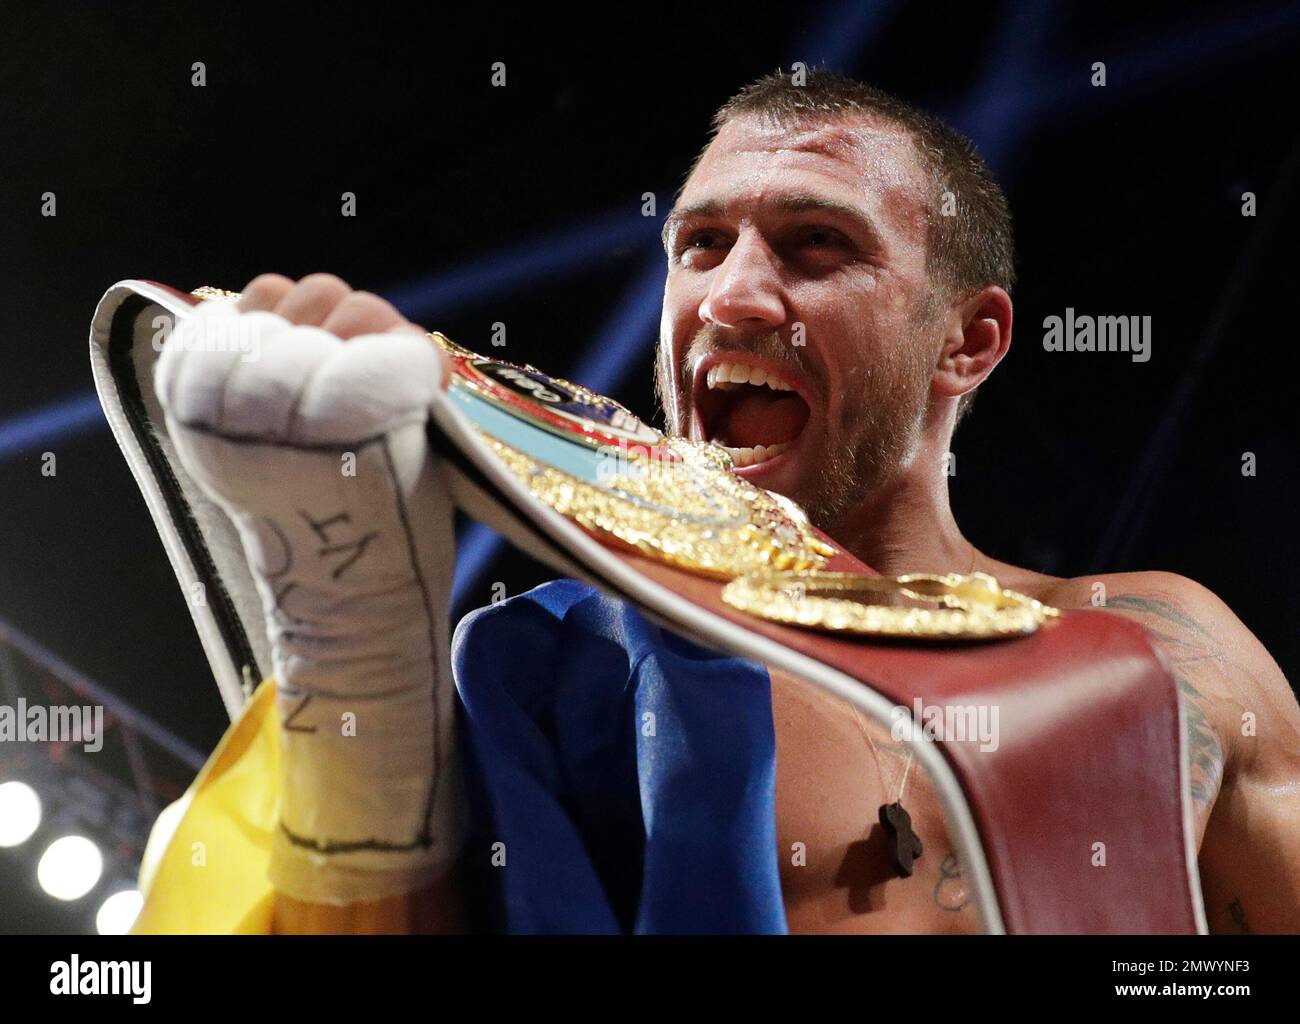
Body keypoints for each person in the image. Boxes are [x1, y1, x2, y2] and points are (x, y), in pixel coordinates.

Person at [152, 71, 1300, 935]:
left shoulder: (1164, 653)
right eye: (700, 245)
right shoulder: (545, 662)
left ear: (968, 341)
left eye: (814, 244)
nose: (733, 295)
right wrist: (355, 654)